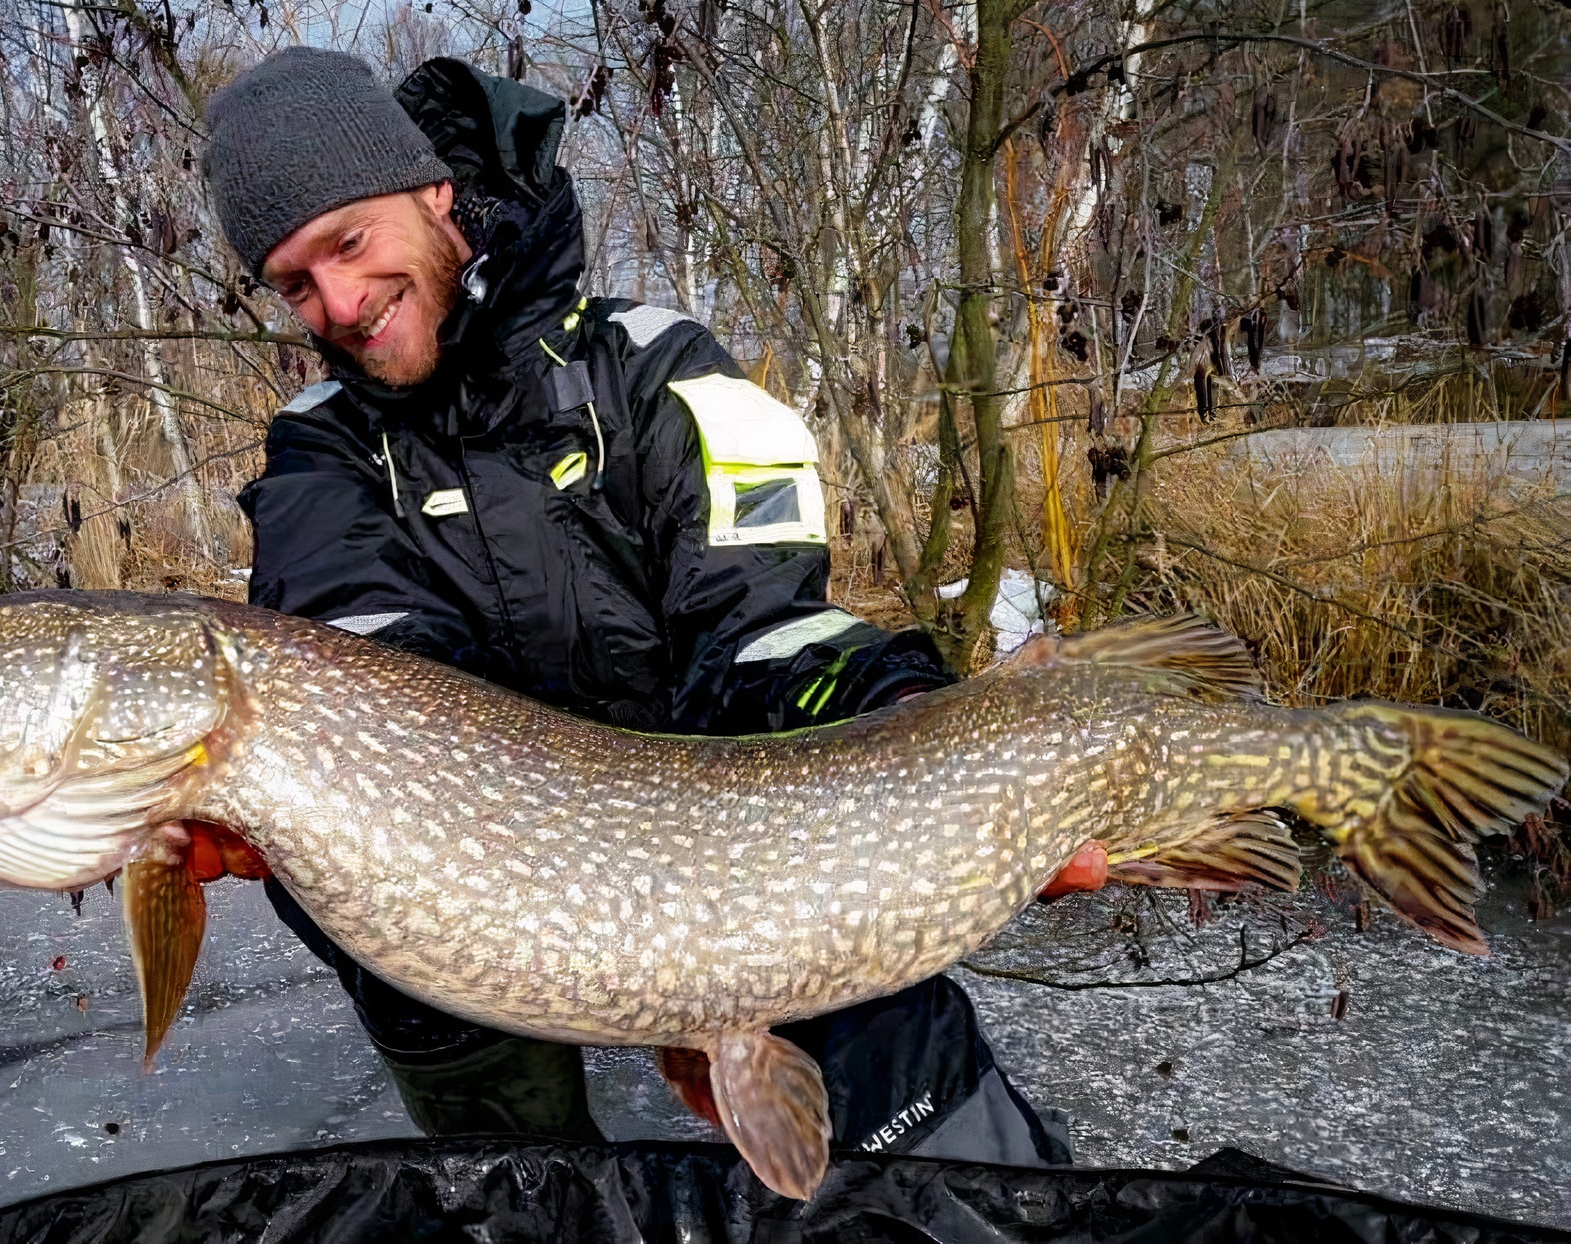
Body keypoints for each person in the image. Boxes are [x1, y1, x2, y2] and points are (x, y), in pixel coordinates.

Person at [203, 47, 1088, 1166]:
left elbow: (764, 628)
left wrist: (908, 705)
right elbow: (373, 653)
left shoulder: (660, 366)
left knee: (949, 1149)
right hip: (465, 924)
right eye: (292, 282)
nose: (335, 303)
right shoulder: (317, 448)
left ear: (433, 192)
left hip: (761, 866)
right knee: (500, 1146)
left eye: (348, 242)